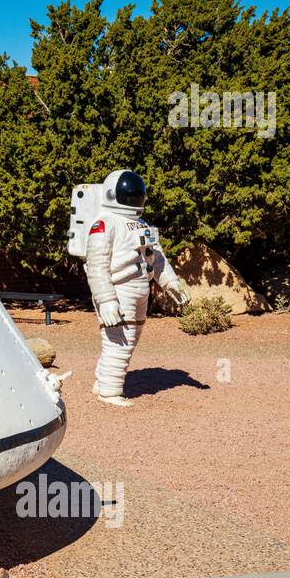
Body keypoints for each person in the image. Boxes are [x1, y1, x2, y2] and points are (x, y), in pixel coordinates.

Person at [84, 170, 189, 407]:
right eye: (129, 194)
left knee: (128, 340)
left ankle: (103, 383)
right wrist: (106, 300)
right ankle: (109, 392)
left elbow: (156, 257)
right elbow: (97, 265)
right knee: (119, 342)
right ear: (113, 194)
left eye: (137, 194)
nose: (134, 198)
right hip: (118, 290)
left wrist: (171, 283)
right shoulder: (104, 223)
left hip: (140, 289)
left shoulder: (142, 225)